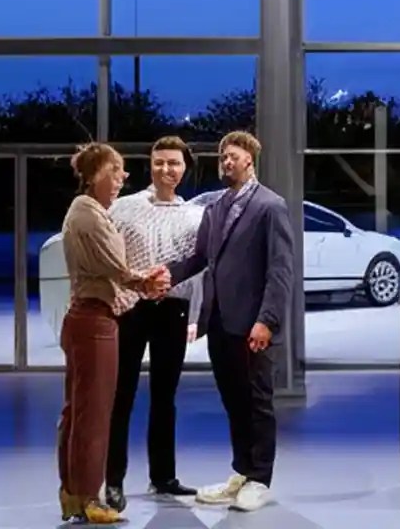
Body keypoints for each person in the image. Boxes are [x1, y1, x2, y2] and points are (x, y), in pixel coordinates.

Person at [167, 130, 295, 513]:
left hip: (254, 325)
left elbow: (280, 271)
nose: (226, 162)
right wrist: (163, 278)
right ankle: (241, 472)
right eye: (223, 156)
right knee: (234, 402)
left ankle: (260, 479)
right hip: (221, 323)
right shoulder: (217, 207)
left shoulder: (271, 207)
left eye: (233, 156)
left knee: (258, 403)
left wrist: (267, 321)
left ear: (249, 160)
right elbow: (200, 258)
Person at [57, 142, 171, 524]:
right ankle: (89, 497)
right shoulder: (88, 215)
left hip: (87, 318)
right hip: (94, 322)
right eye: (115, 170)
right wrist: (145, 282)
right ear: (92, 176)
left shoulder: (89, 211)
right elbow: (118, 269)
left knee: (79, 411)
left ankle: (74, 493)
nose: (122, 178)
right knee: (93, 414)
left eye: (122, 170)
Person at [102, 136, 203, 511]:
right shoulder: (123, 208)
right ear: (150, 165)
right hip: (129, 308)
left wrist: (192, 314)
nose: (166, 169)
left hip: (172, 310)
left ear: (184, 168)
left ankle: (164, 476)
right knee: (121, 396)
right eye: (159, 162)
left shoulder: (196, 216)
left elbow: (197, 270)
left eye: (174, 163)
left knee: (165, 397)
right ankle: (113, 480)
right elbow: (108, 259)